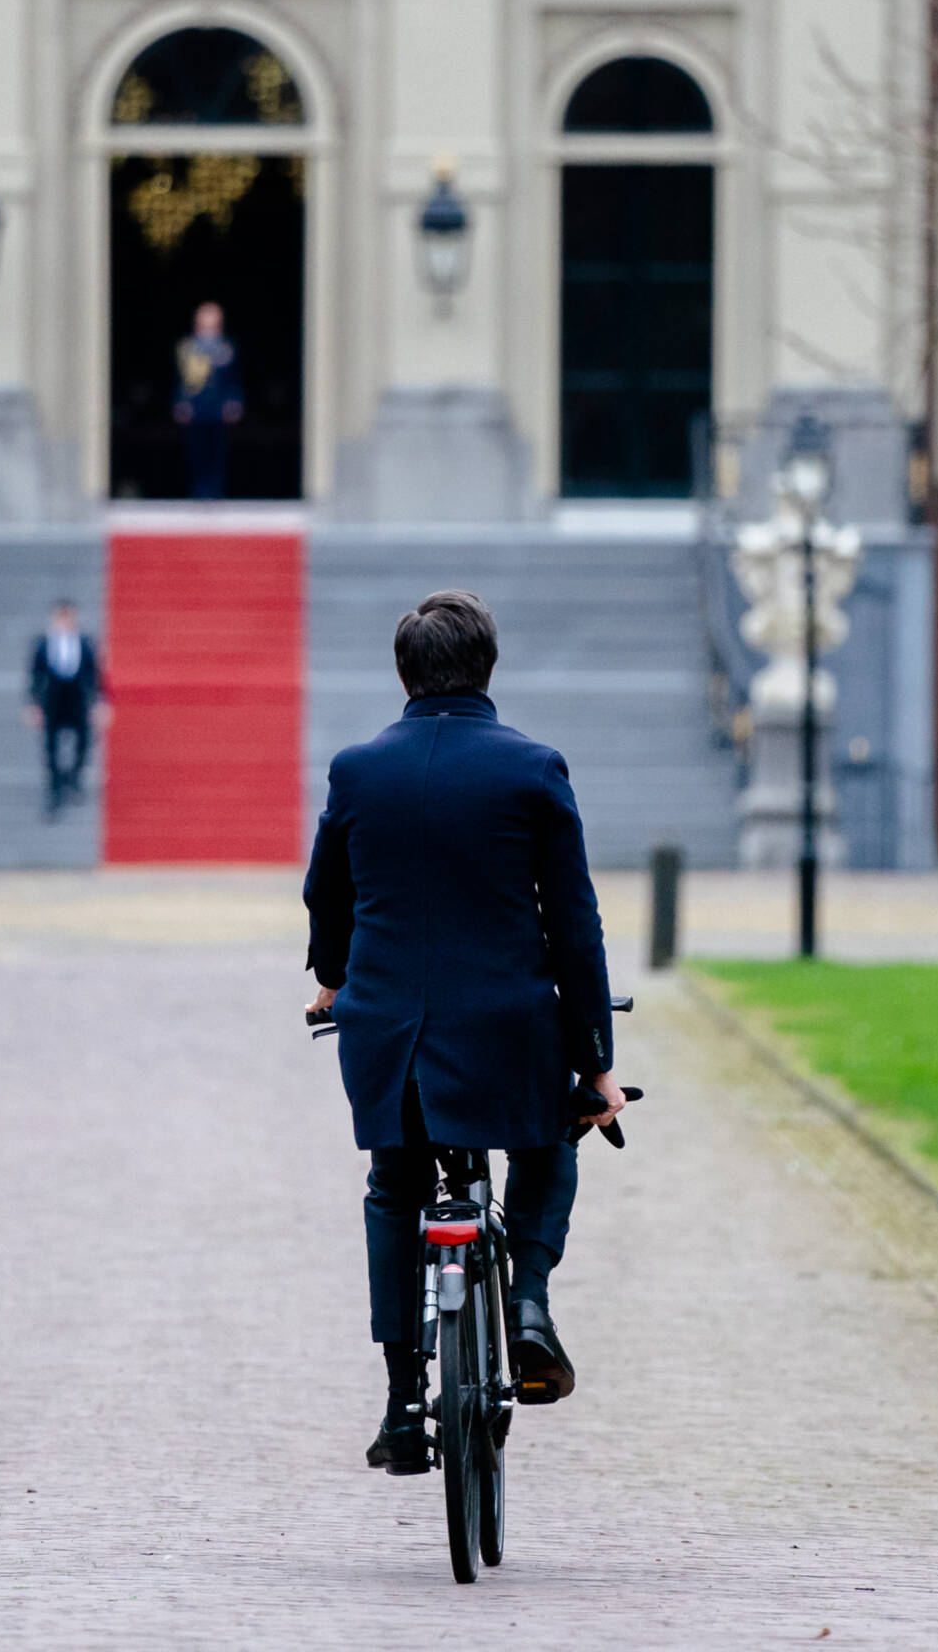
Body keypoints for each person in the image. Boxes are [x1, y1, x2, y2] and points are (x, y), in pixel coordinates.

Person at [301, 589, 623, 1477]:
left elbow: (328, 894)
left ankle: (405, 1401)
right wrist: (596, 1062)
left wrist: (334, 979)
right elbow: (574, 924)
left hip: (390, 1034)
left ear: (405, 674)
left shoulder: (358, 772)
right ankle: (526, 1305)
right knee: (553, 1139)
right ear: (488, 667)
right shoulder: (533, 769)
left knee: (393, 1189)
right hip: (510, 1033)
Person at [25, 599, 106, 816]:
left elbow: (96, 675)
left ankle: (73, 778)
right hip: (52, 701)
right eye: (61, 618)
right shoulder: (43, 644)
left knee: (83, 742)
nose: (64, 622)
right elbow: (35, 676)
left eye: (68, 617)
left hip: (77, 700)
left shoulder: (85, 643)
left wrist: (101, 702)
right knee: (51, 747)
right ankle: (55, 788)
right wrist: (33, 704)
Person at [171, 301, 242, 501]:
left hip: (218, 408)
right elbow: (180, 379)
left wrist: (234, 401)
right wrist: (180, 402)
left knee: (218, 452)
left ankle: (216, 490)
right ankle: (198, 490)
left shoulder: (226, 347)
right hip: (196, 407)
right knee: (196, 451)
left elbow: (234, 378)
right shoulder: (188, 347)